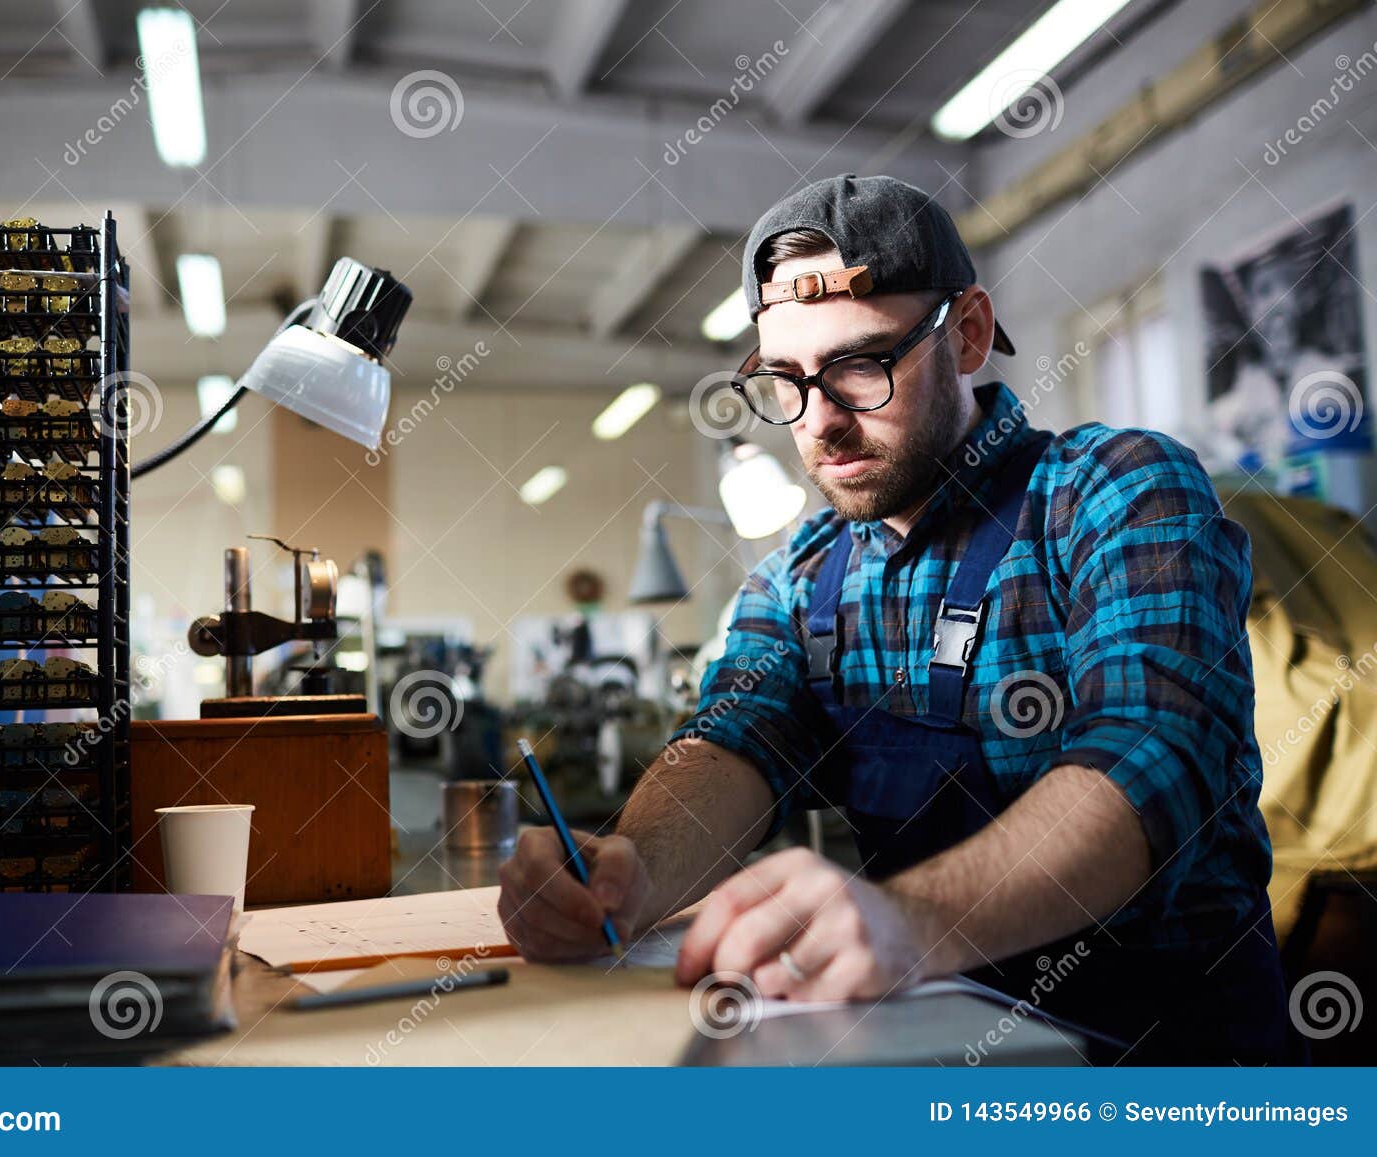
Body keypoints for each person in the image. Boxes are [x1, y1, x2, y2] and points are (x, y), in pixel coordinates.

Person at [497, 174, 1297, 1064]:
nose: (821, 422)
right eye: (786, 381)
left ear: (968, 334)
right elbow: (733, 740)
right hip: (944, 1053)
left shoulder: (1117, 492)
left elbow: (1154, 758)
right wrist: (629, 871)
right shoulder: (800, 577)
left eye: (860, 365)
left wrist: (910, 919)